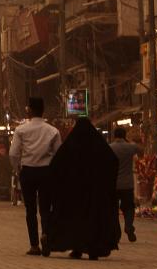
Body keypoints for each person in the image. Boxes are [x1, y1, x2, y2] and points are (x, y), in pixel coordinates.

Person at [43, 118, 121, 260]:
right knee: (92, 219)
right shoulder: (100, 147)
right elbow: (113, 162)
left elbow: (55, 166)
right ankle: (93, 249)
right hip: (95, 193)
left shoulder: (69, 147)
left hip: (73, 193)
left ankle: (77, 247)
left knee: (75, 219)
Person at [10, 97, 62, 256]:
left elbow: (13, 154)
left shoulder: (21, 130)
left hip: (28, 171)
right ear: (43, 111)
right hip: (46, 172)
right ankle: (46, 234)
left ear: (30, 110)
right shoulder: (53, 131)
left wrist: (18, 169)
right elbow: (59, 154)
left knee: (30, 209)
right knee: (46, 207)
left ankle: (34, 245)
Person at [110, 127, 141, 242]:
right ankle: (128, 226)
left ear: (114, 135)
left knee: (113, 209)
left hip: (113, 184)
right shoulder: (131, 147)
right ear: (125, 135)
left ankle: (116, 233)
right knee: (128, 207)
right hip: (127, 183)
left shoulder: (110, 147)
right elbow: (141, 151)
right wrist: (129, 141)